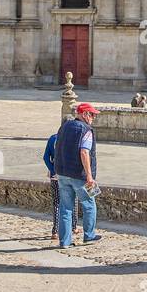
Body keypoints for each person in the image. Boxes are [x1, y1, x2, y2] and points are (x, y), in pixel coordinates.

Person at [54, 103, 102, 248]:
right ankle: (89, 235)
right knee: (89, 205)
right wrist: (89, 176)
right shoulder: (86, 130)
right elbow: (84, 152)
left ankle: (65, 241)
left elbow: (58, 147)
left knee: (65, 207)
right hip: (79, 175)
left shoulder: (64, 127)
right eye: (92, 115)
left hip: (62, 173)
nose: (93, 118)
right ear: (85, 114)